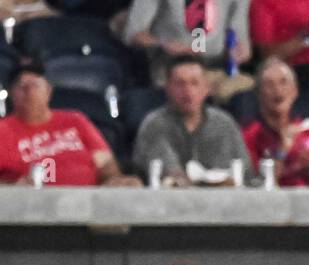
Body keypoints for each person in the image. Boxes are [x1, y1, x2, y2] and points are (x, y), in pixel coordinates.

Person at [0, 61, 141, 187]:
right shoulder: (3, 130)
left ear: (49, 90)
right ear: (12, 94)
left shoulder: (76, 120)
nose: (29, 91)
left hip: (88, 203)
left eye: (35, 85)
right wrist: (12, 187)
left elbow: (106, 164)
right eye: (22, 87)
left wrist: (115, 181)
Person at [133, 55, 255, 186]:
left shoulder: (223, 123)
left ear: (207, 88)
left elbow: (240, 172)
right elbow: (168, 173)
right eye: (180, 84)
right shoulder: (154, 124)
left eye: (194, 83)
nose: (188, 91)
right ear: (167, 87)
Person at [123, 0, 255, 101]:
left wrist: (240, 52)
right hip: (171, 70)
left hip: (216, 71)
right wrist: (164, 45)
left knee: (249, 93)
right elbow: (133, 35)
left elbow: (239, 36)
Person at [242, 57, 309, 187]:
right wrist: (282, 150)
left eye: (283, 82)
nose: (278, 90)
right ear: (259, 94)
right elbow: (256, 185)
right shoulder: (250, 135)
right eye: (269, 84)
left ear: (295, 91)